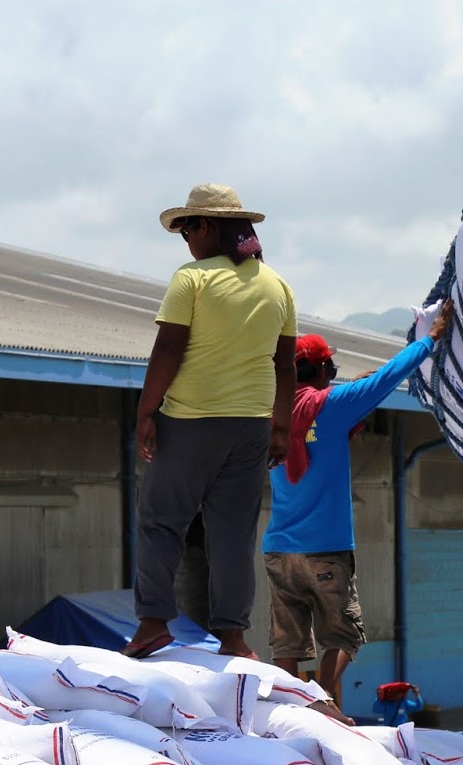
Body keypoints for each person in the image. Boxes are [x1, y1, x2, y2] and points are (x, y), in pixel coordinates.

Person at [124, 183, 297, 661]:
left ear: (205, 227)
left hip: (191, 420)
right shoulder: (277, 285)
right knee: (233, 533)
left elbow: (169, 348)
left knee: (161, 521)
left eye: (186, 231)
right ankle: (234, 637)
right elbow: (286, 365)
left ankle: (153, 623)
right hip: (251, 427)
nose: (185, 242)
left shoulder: (192, 279)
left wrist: (146, 411)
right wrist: (280, 427)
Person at [263, 302, 454, 707]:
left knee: (288, 642)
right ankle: (324, 700)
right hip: (326, 549)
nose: (331, 376)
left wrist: (349, 388)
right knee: (345, 634)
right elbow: (388, 377)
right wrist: (431, 339)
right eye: (329, 369)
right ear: (318, 372)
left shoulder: (273, 412)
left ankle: (288, 712)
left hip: (279, 550)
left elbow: (324, 411)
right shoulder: (333, 406)